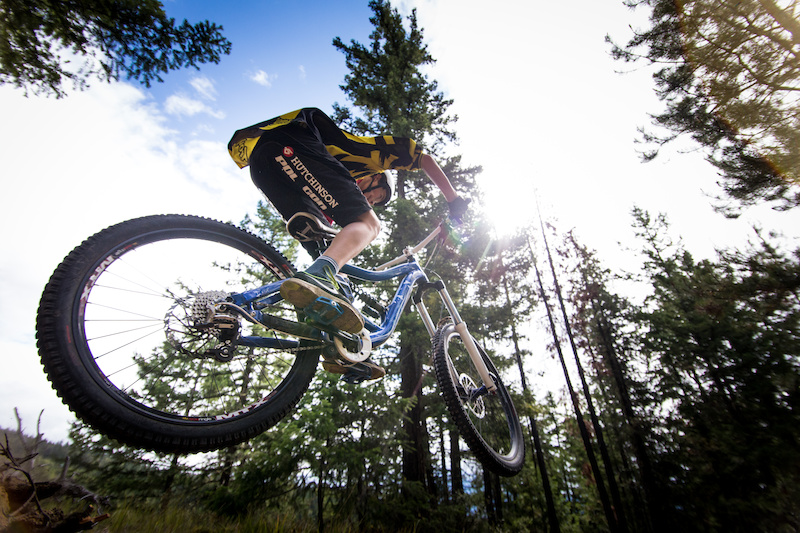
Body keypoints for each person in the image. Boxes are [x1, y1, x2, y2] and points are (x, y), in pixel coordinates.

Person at [228, 108, 468, 378]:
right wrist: (454, 200)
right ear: (377, 178)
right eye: (378, 197)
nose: (372, 202)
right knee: (370, 225)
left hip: (264, 164)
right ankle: (322, 276)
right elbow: (423, 159)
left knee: (325, 249)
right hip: (291, 143)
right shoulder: (370, 158)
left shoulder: (325, 185)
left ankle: (337, 345)